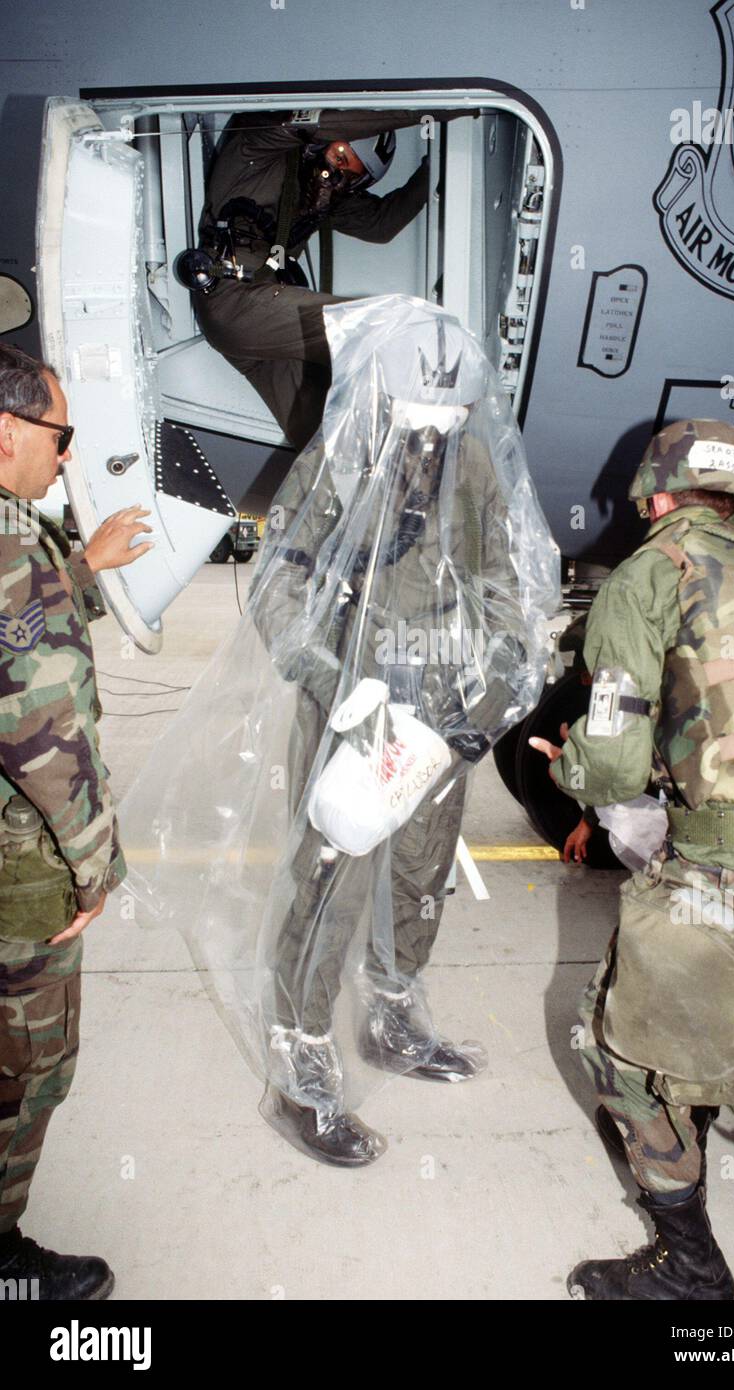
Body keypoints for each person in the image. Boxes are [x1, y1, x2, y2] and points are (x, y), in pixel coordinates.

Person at [120, 294, 559, 1169]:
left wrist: (495, 687)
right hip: (352, 710)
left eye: (450, 417)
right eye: (419, 419)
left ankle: (395, 1023)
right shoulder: (337, 464)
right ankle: (302, 1083)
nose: (432, 437)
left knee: (421, 874)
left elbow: (505, 578)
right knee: (326, 891)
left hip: (438, 709)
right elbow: (282, 592)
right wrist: (337, 686)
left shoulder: (469, 459)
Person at [531, 418, 734, 1300]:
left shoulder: (649, 574)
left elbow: (609, 762)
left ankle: (689, 1269)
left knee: (626, 1054)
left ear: (656, 497)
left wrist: (568, 762)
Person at [0, 344, 152, 1300]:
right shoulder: (13, 550)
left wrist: (81, 572)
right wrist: (98, 869)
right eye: (58, 436)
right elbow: (43, 735)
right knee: (25, 1075)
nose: (66, 456)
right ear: (8, 430)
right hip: (17, 880)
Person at [192, 109, 444, 453]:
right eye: (339, 155)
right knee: (387, 327)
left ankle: (384, 489)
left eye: (345, 174)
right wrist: (444, 106)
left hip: (253, 334)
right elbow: (319, 124)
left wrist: (436, 169)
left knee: (335, 441)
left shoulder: (321, 200)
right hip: (234, 299)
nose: (333, 173)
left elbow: (382, 224)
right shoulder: (258, 147)